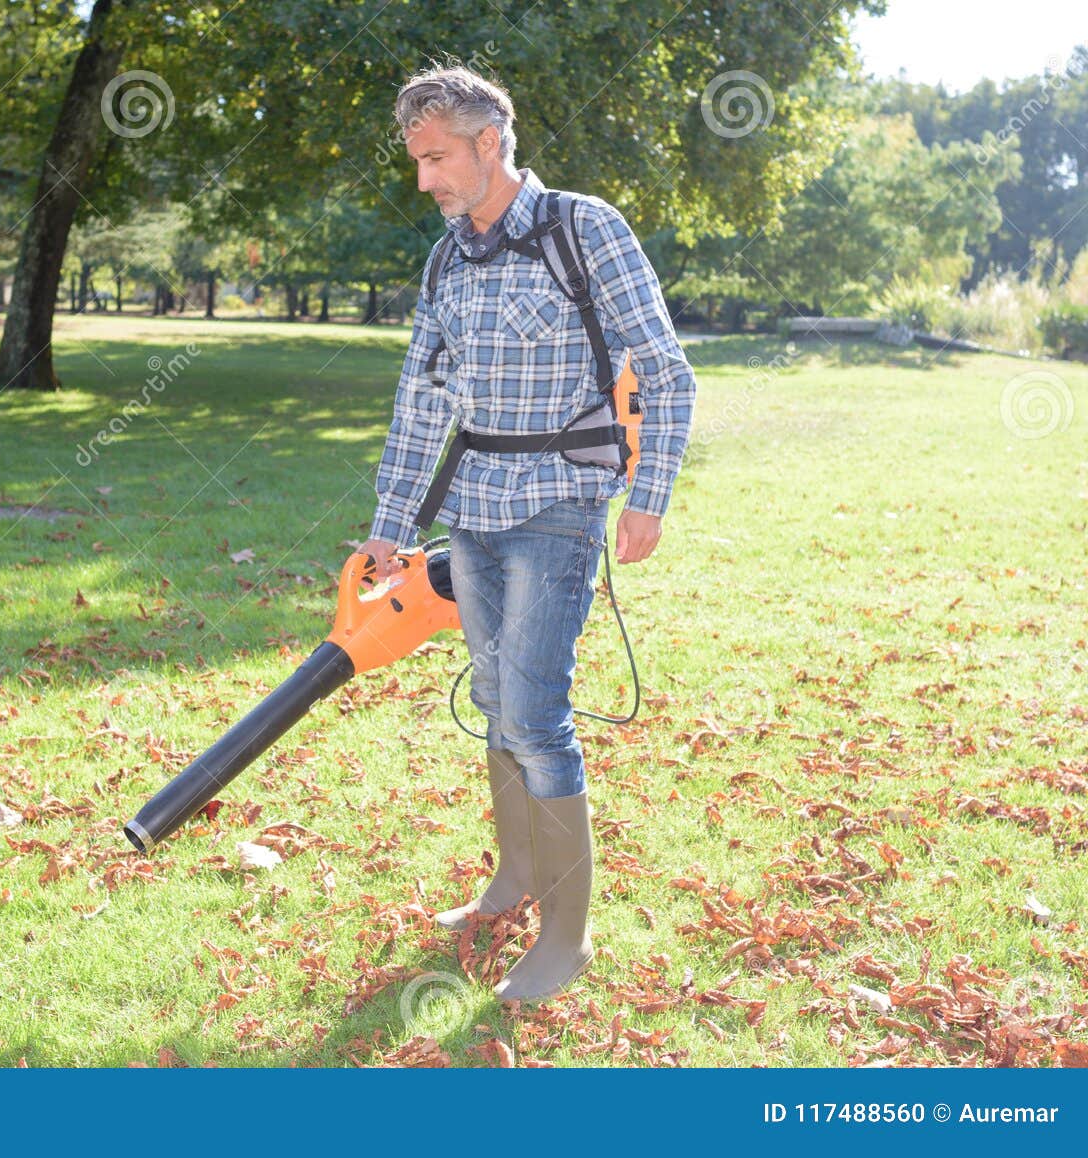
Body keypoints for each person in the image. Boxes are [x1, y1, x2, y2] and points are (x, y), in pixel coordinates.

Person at [360, 64, 695, 1003]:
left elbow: (667, 372)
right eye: (416, 160)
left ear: (489, 143)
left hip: (562, 502)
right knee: (498, 699)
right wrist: (391, 525)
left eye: (435, 159)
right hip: (472, 509)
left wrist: (648, 497)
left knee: (537, 716)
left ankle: (566, 937)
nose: (424, 180)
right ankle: (511, 883)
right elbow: (422, 399)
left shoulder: (584, 229)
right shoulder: (445, 260)